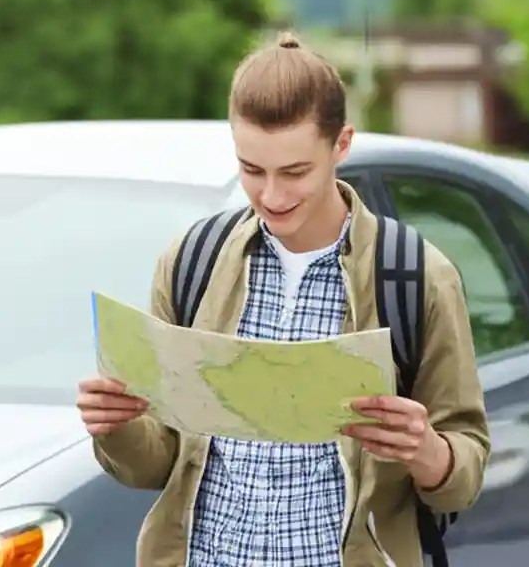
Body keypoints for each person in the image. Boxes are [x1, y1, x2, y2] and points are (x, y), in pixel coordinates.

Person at [76, 31, 490, 567]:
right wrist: (119, 426)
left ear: (341, 144)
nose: (272, 196)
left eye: (295, 172)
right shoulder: (192, 262)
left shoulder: (415, 276)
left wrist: (427, 451)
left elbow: (466, 470)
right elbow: (155, 467)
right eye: (251, 170)